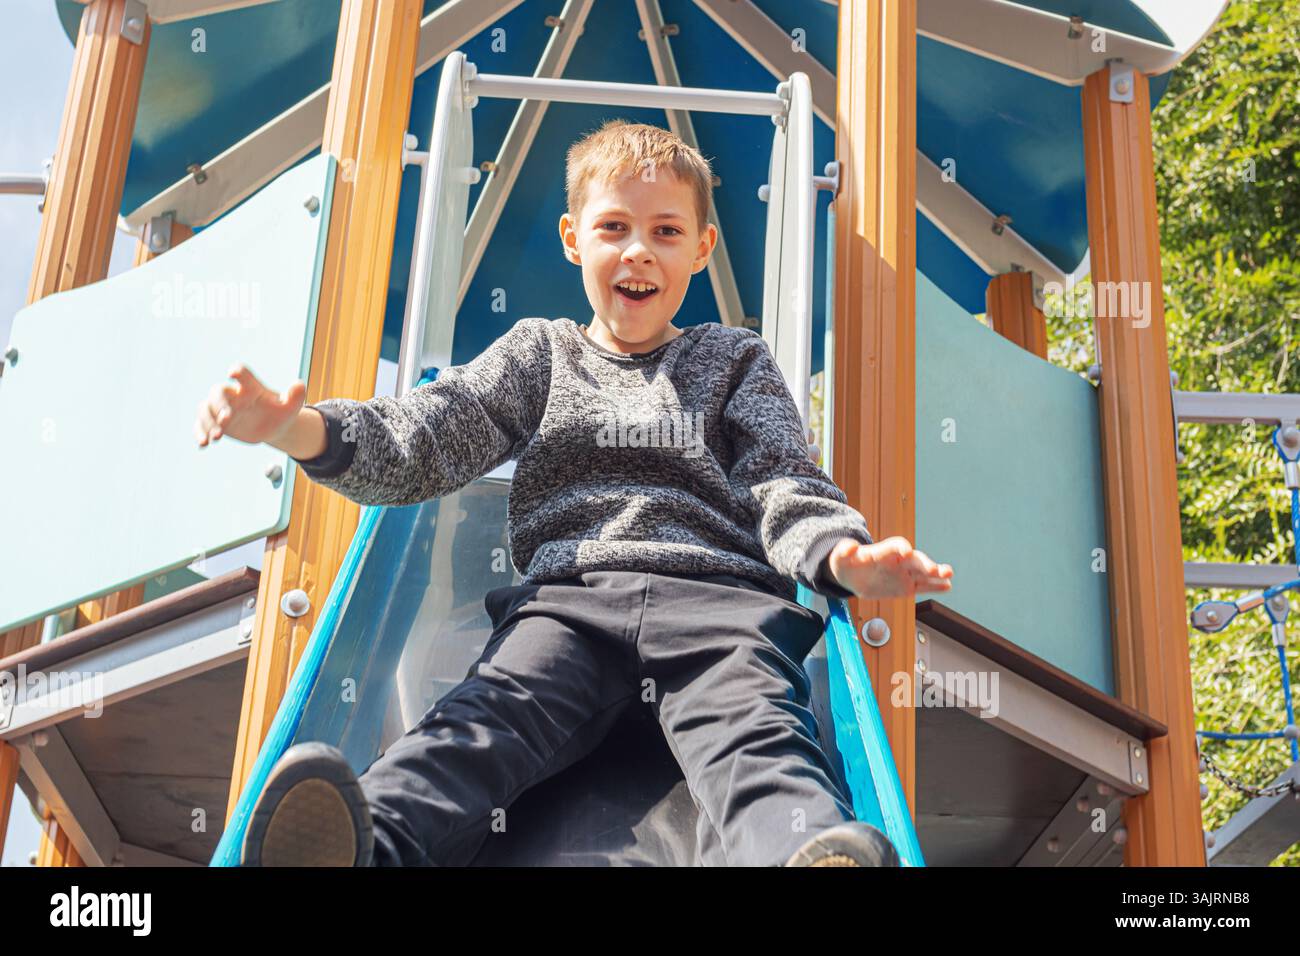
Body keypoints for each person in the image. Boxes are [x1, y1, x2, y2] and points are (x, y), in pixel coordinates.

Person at [194, 119, 952, 867]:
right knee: (485, 718)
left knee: (758, 737)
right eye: (614, 226)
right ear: (572, 238)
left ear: (700, 248)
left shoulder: (732, 358)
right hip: (571, 604)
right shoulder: (539, 355)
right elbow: (431, 434)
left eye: (664, 231)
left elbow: (781, 475)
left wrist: (842, 558)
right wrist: (300, 433)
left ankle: (804, 856)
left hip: (720, 611)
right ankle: (367, 841)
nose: (637, 251)